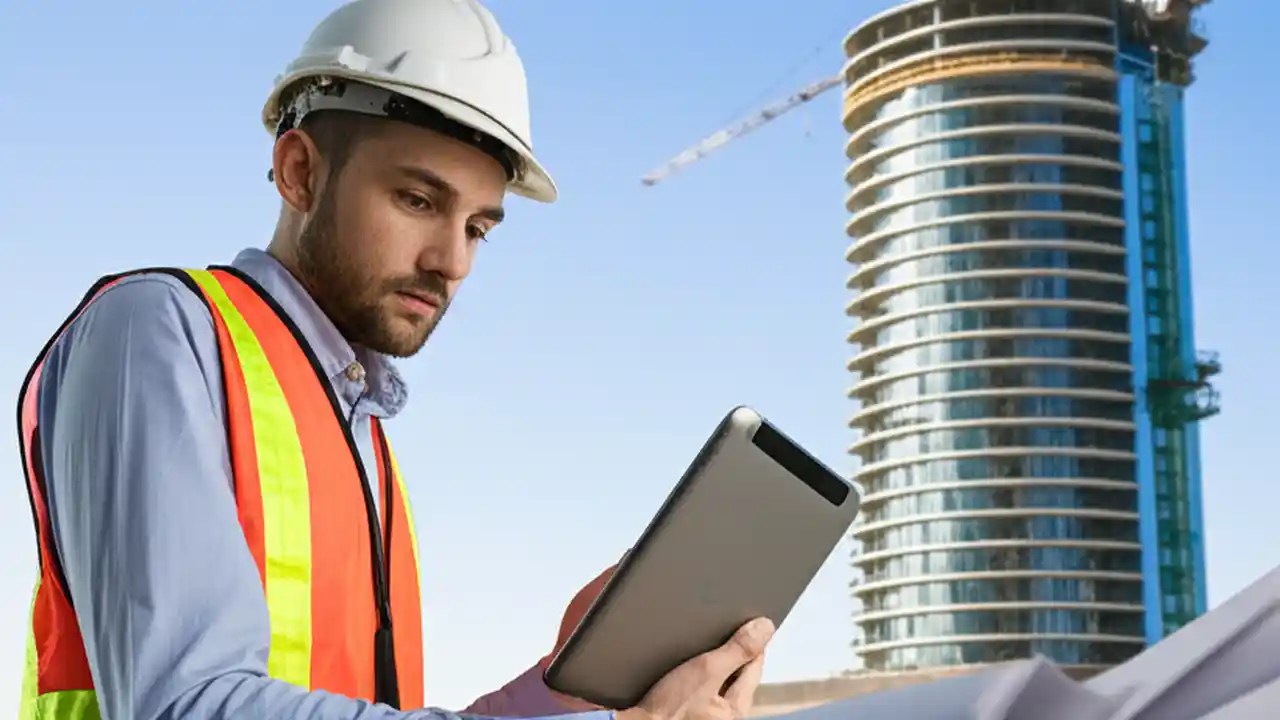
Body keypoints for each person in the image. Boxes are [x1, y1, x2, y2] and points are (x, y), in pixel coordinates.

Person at [15, 0, 773, 718]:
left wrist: (563, 689)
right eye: (417, 200)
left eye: (478, 227)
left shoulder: (359, 433)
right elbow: (183, 706)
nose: (453, 261)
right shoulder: (157, 331)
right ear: (300, 172)